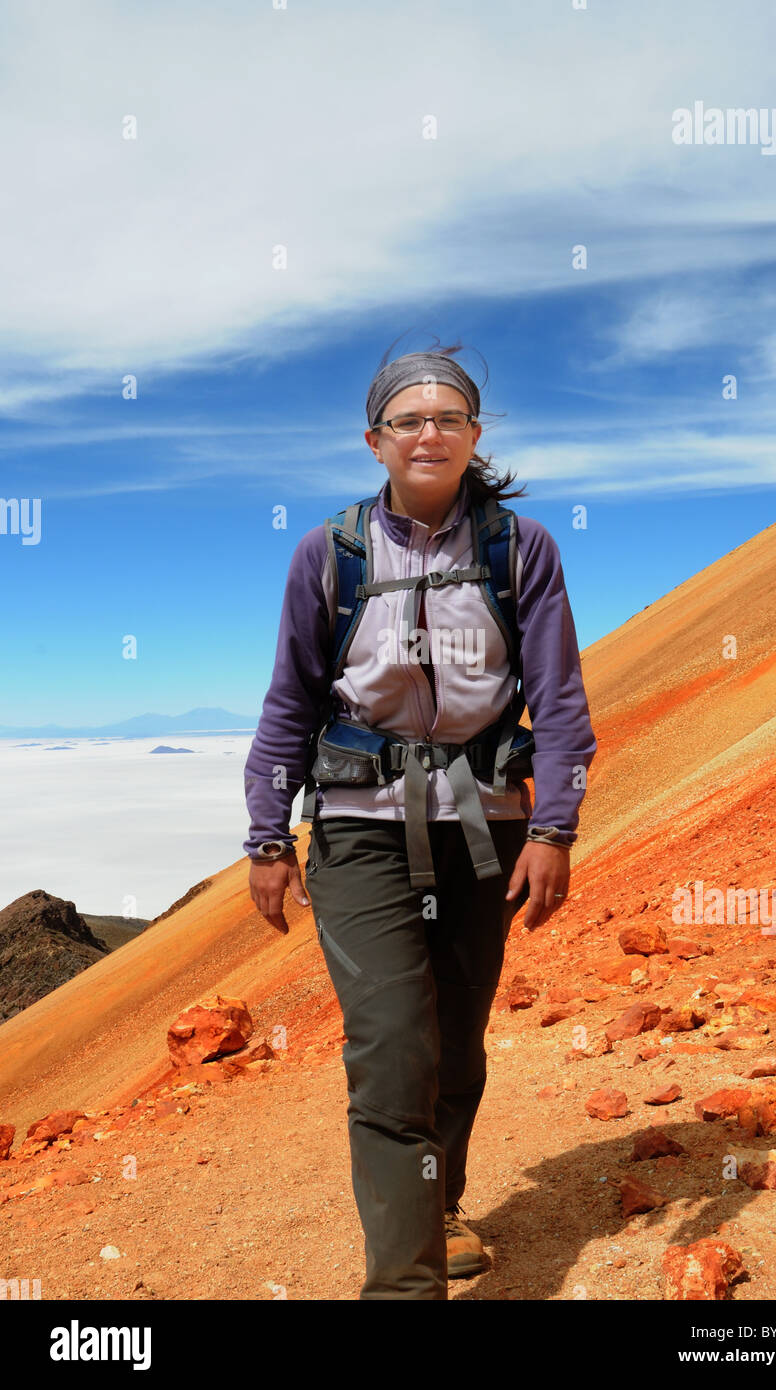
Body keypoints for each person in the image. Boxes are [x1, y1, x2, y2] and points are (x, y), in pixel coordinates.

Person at [243, 342, 597, 1300]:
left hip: (486, 825)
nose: (428, 433)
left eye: (447, 418)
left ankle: (437, 1209)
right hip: (359, 829)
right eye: (408, 420)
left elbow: (559, 703)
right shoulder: (330, 552)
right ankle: (404, 1286)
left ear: (474, 436)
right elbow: (289, 703)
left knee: (456, 1035)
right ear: (375, 441)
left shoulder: (519, 550)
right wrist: (268, 837)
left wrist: (555, 830)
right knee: (393, 1045)